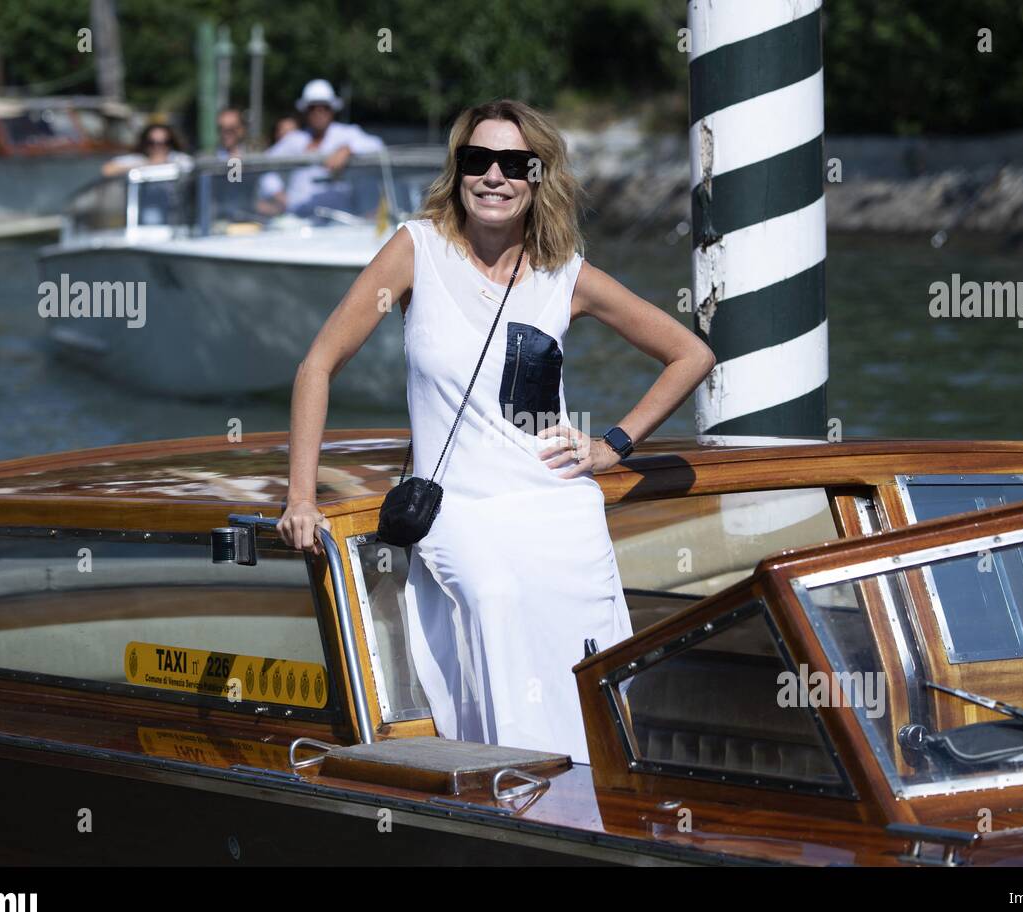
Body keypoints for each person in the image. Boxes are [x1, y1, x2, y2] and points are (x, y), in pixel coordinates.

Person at [278, 99, 715, 764]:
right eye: (476, 161)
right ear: (457, 171)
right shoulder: (415, 250)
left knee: (579, 652)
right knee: (495, 598)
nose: (493, 176)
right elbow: (318, 364)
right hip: (459, 508)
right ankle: (518, 788)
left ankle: (591, 794)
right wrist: (301, 499)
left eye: (515, 164)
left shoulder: (565, 275)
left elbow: (691, 354)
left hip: (556, 504)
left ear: (540, 176)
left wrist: (612, 445)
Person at [256, 79, 384, 218]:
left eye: (324, 107)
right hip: (297, 222)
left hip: (341, 223)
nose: (319, 112)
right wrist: (278, 193)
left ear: (332, 110)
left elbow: (377, 145)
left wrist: (348, 149)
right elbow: (264, 165)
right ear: (305, 111)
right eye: (313, 108)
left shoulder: (346, 134)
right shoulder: (294, 140)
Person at [101, 122, 192, 177]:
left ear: (170, 143)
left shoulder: (179, 159)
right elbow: (107, 170)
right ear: (145, 143)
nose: (157, 147)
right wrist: (145, 166)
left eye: (163, 143)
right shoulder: (139, 160)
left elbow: (190, 169)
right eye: (152, 143)